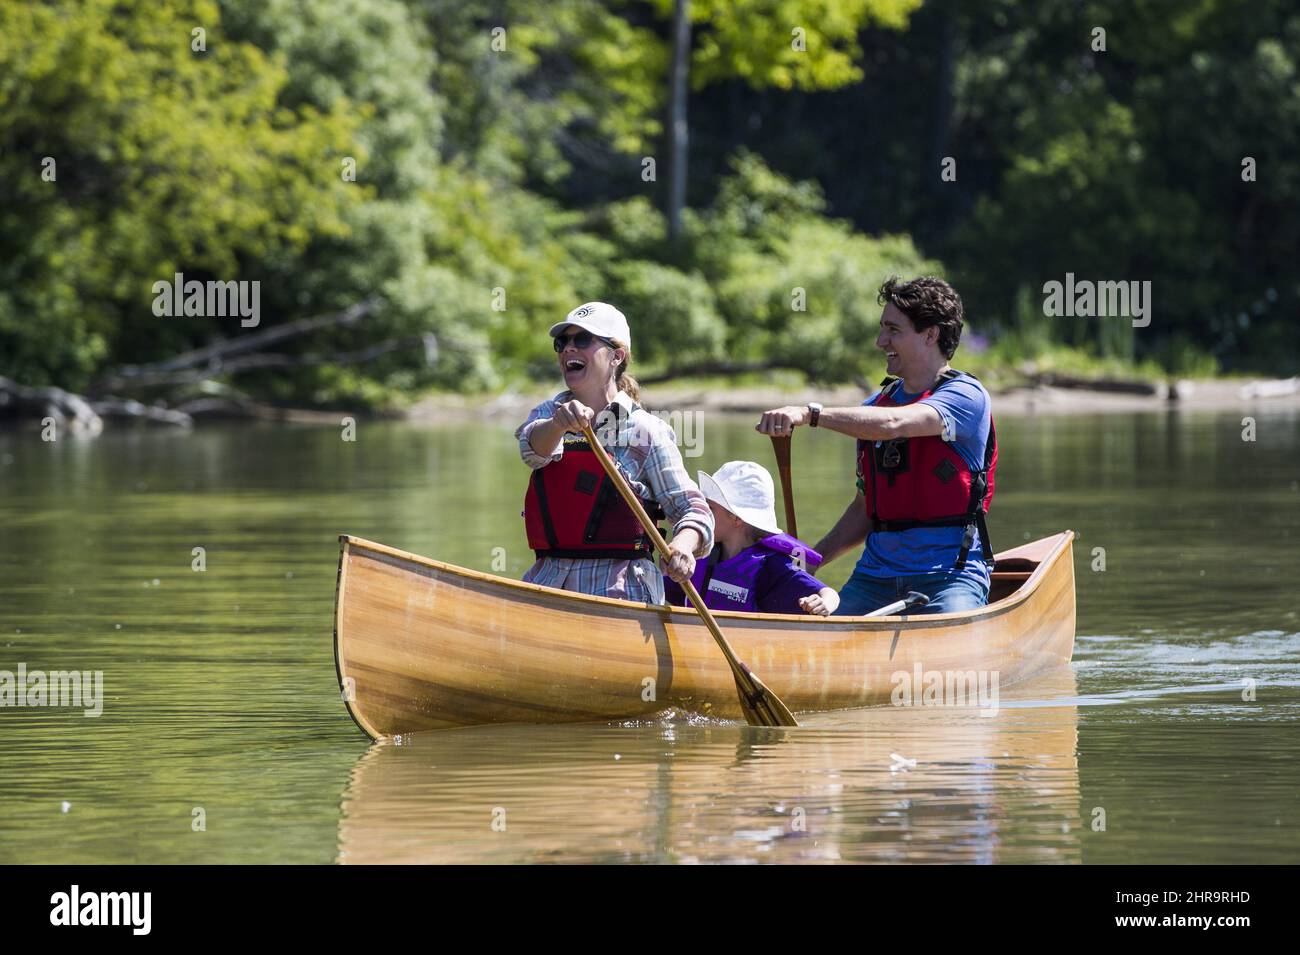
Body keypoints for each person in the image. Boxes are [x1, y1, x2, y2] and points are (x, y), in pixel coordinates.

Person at [755, 276, 997, 615]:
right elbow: (865, 508)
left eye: (893, 330)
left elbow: (896, 424)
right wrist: (813, 559)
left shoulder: (966, 397)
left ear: (931, 335)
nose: (880, 341)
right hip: (873, 579)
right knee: (824, 639)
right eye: (882, 329)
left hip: (949, 578)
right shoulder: (874, 406)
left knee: (950, 644)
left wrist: (810, 415)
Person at [516, 301, 713, 603]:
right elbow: (533, 451)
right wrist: (558, 424)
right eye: (562, 342)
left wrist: (683, 547)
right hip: (548, 583)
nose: (568, 348)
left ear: (616, 356)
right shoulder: (547, 413)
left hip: (621, 593)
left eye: (582, 340)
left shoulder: (647, 431)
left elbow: (694, 511)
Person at [663, 461, 839, 615]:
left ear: (737, 518)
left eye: (710, 508)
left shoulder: (771, 566)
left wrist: (823, 603)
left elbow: (829, 594)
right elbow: (663, 591)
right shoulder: (699, 555)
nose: (703, 515)